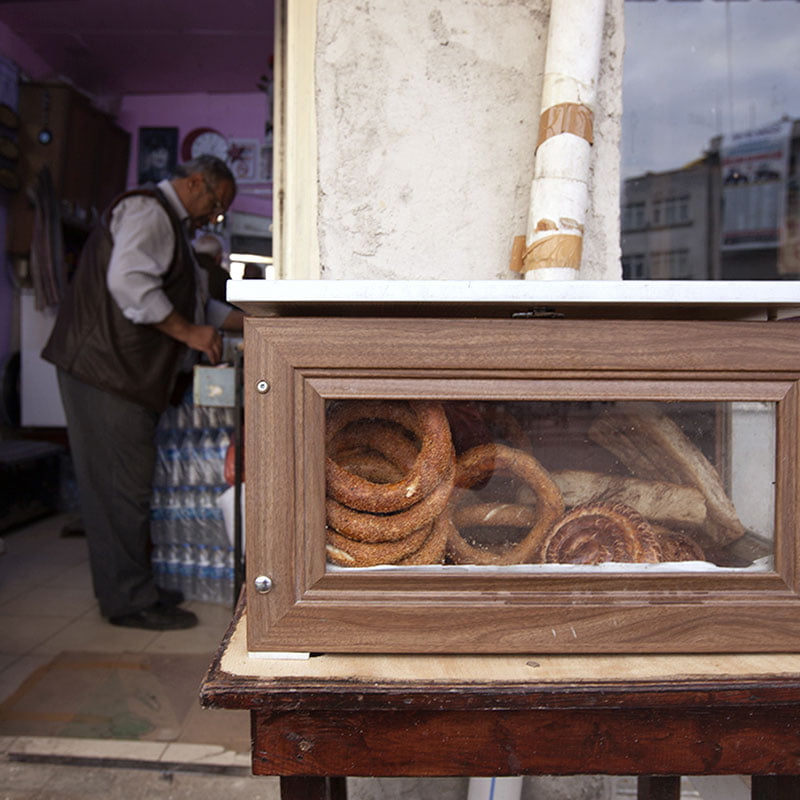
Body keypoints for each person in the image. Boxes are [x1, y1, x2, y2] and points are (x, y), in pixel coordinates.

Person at [42, 155, 242, 630]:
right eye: (215, 207)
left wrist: (257, 319)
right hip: (105, 371)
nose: (211, 219)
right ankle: (128, 600)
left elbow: (200, 306)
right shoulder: (149, 212)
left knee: (129, 485)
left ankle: (136, 585)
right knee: (119, 489)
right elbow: (129, 284)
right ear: (196, 183)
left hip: (119, 374)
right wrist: (189, 334)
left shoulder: (174, 227)